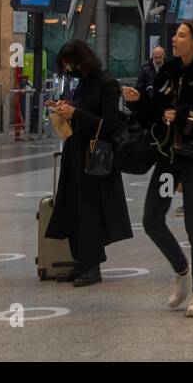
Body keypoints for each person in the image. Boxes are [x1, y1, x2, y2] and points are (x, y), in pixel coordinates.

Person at [122, 21, 193, 317]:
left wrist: (186, 116)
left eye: (182, 35)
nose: (175, 38)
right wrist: (139, 102)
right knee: (152, 218)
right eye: (176, 34)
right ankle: (181, 269)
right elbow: (154, 112)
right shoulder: (169, 71)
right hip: (169, 161)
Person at [44, 41, 132, 287]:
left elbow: (111, 123)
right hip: (75, 151)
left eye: (71, 65)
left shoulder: (107, 83)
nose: (69, 70)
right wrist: (65, 110)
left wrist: (77, 113)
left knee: (90, 209)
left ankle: (93, 265)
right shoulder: (83, 82)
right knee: (73, 205)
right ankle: (80, 260)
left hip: (95, 156)